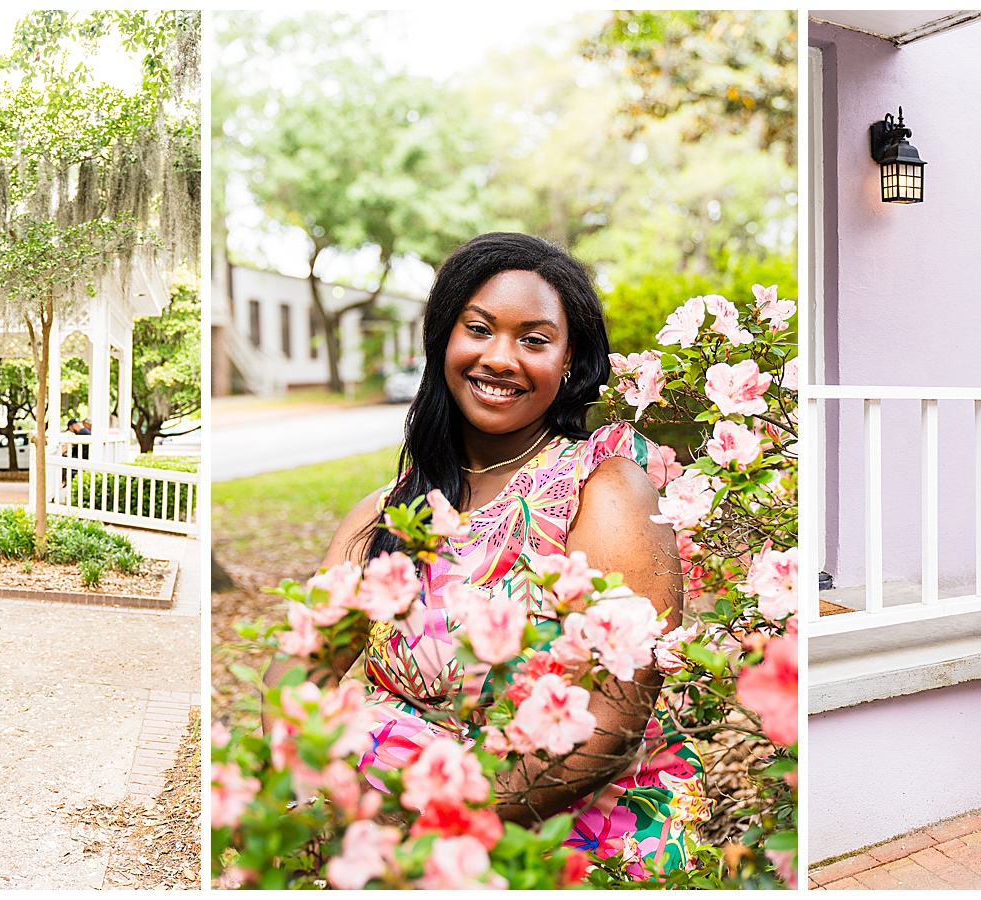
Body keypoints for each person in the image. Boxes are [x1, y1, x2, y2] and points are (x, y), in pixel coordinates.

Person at [264, 232, 707, 874]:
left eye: (533, 339)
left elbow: (613, 721)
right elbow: (296, 675)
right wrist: (310, 797)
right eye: (479, 329)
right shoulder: (386, 512)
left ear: (569, 359)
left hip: (560, 838)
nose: (500, 358)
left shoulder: (601, 491)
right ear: (444, 339)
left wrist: (413, 832)